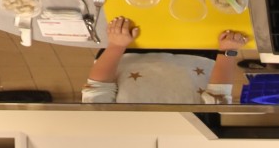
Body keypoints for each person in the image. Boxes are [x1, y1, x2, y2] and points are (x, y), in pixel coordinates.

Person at [82, 15, 249, 105]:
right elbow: (218, 96)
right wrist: (228, 50)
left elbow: (98, 87)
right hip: (199, 54)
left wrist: (116, 45)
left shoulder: (105, 128)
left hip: (129, 47)